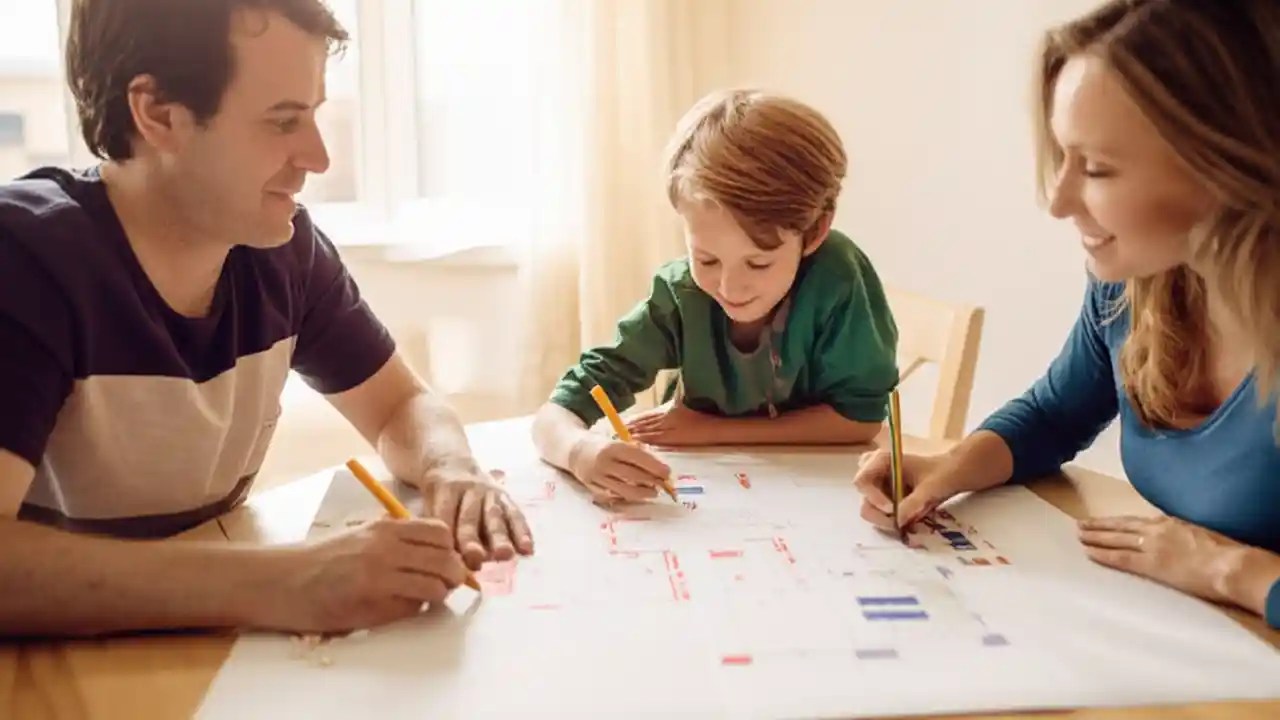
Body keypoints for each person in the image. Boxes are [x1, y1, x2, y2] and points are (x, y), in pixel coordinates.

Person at [0, 0, 532, 638]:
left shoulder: (282, 250)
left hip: (196, 652)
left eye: (313, 115)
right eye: (283, 121)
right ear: (159, 114)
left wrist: (450, 465)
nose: (318, 157)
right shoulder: (26, 261)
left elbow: (399, 407)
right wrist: (284, 581)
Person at [854, 0, 1280, 629]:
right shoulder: (1133, 287)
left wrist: (1232, 570)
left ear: (1228, 162)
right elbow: (1055, 415)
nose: (1057, 202)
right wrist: (953, 467)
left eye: (1098, 168)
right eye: (1063, 156)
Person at [533, 89, 899, 504]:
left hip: (824, 493)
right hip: (711, 494)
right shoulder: (680, 293)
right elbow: (555, 413)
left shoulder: (838, 279)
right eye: (706, 259)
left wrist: (710, 429)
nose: (729, 288)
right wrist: (579, 450)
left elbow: (858, 421)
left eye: (758, 264)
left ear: (814, 232)